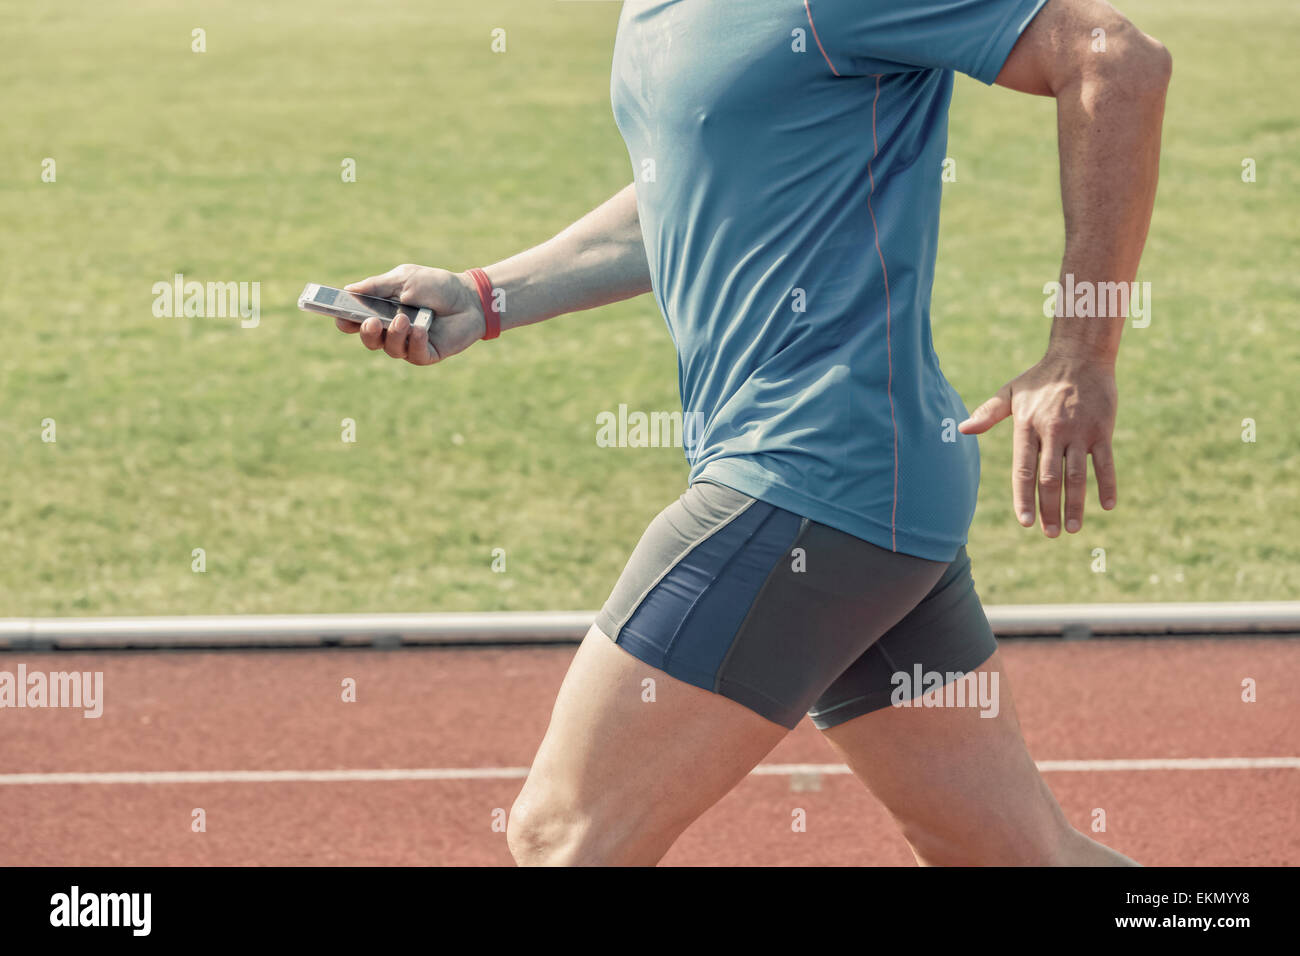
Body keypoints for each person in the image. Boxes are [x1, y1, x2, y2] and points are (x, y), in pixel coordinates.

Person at [336, 0, 1170, 866]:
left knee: (563, 838)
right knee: (1022, 860)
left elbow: (1116, 57)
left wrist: (1081, 349)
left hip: (812, 472)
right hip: (865, 496)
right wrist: (487, 295)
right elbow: (696, 189)